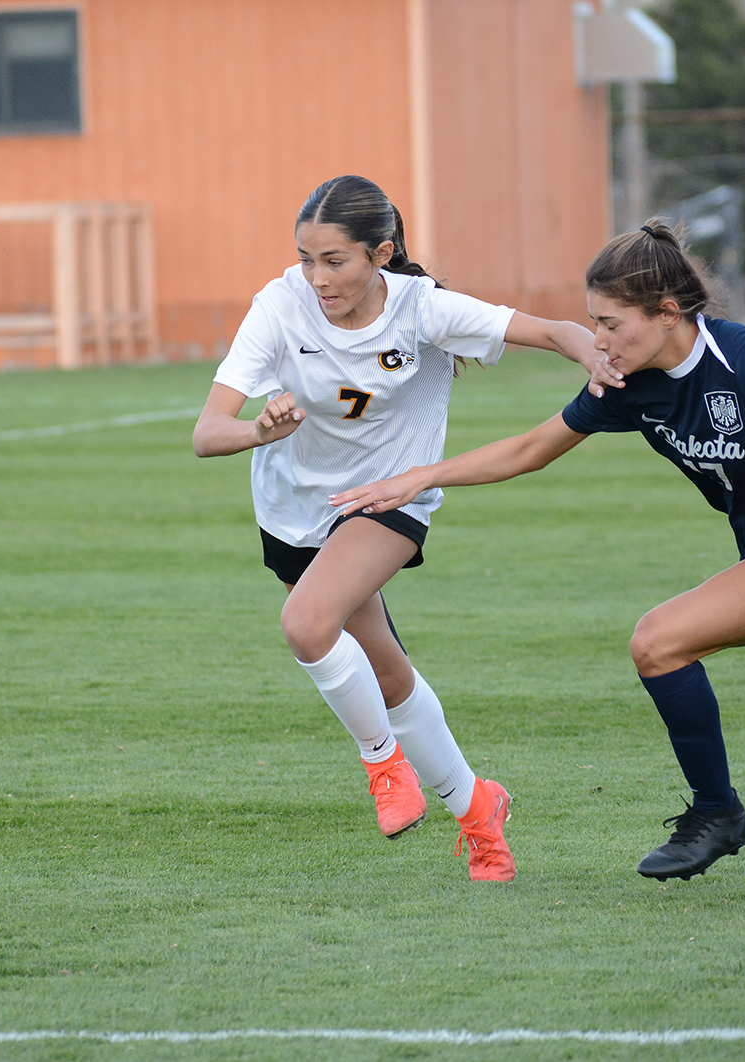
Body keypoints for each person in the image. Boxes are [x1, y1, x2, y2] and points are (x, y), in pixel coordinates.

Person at [332, 220, 745, 882]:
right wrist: (418, 477)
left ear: (668, 313)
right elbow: (530, 449)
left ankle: (716, 813)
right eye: (593, 323)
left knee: (659, 641)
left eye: (612, 324)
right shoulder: (630, 383)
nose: (599, 341)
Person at [193, 175, 612, 881]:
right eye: (306, 259)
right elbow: (208, 433)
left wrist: (593, 352)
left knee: (306, 624)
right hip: (295, 508)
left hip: (392, 497)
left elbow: (548, 328)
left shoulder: (425, 309)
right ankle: (480, 810)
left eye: (335, 261)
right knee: (385, 667)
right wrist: (259, 432)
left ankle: (385, 766)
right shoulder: (279, 307)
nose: (316, 277)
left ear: (380, 253)